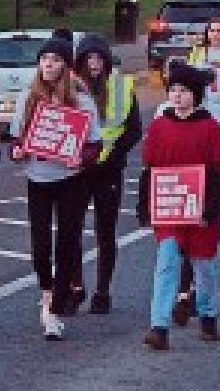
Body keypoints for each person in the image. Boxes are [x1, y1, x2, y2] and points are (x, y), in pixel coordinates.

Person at [10, 36, 100, 341]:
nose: (49, 65)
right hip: (38, 179)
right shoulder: (28, 98)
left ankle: (56, 305)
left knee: (67, 244)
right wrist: (19, 151)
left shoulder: (81, 100)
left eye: (56, 60)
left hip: (69, 180)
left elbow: (94, 145)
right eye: (45, 59)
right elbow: (16, 141)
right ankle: (46, 291)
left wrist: (81, 160)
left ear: (66, 65)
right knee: (39, 246)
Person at [139, 64, 220, 351]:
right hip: (170, 208)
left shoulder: (209, 127)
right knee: (166, 263)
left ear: (196, 95)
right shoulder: (159, 126)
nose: (177, 96)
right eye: (173, 90)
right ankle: (159, 325)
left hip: (200, 208)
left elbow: (217, 172)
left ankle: (208, 315)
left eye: (184, 91)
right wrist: (145, 205)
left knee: (204, 265)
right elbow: (149, 169)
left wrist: (210, 209)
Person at [72, 34, 141, 315]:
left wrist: (114, 154)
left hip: (109, 169)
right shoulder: (72, 88)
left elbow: (134, 129)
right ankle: (75, 286)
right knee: (71, 230)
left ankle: (102, 291)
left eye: (99, 58)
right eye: (89, 58)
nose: (94, 64)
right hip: (77, 168)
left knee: (105, 231)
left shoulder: (122, 87)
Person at [187, 19, 220, 125]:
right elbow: (189, 77)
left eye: (219, 31)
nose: (215, 34)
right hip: (202, 101)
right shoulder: (196, 53)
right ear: (207, 33)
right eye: (212, 30)